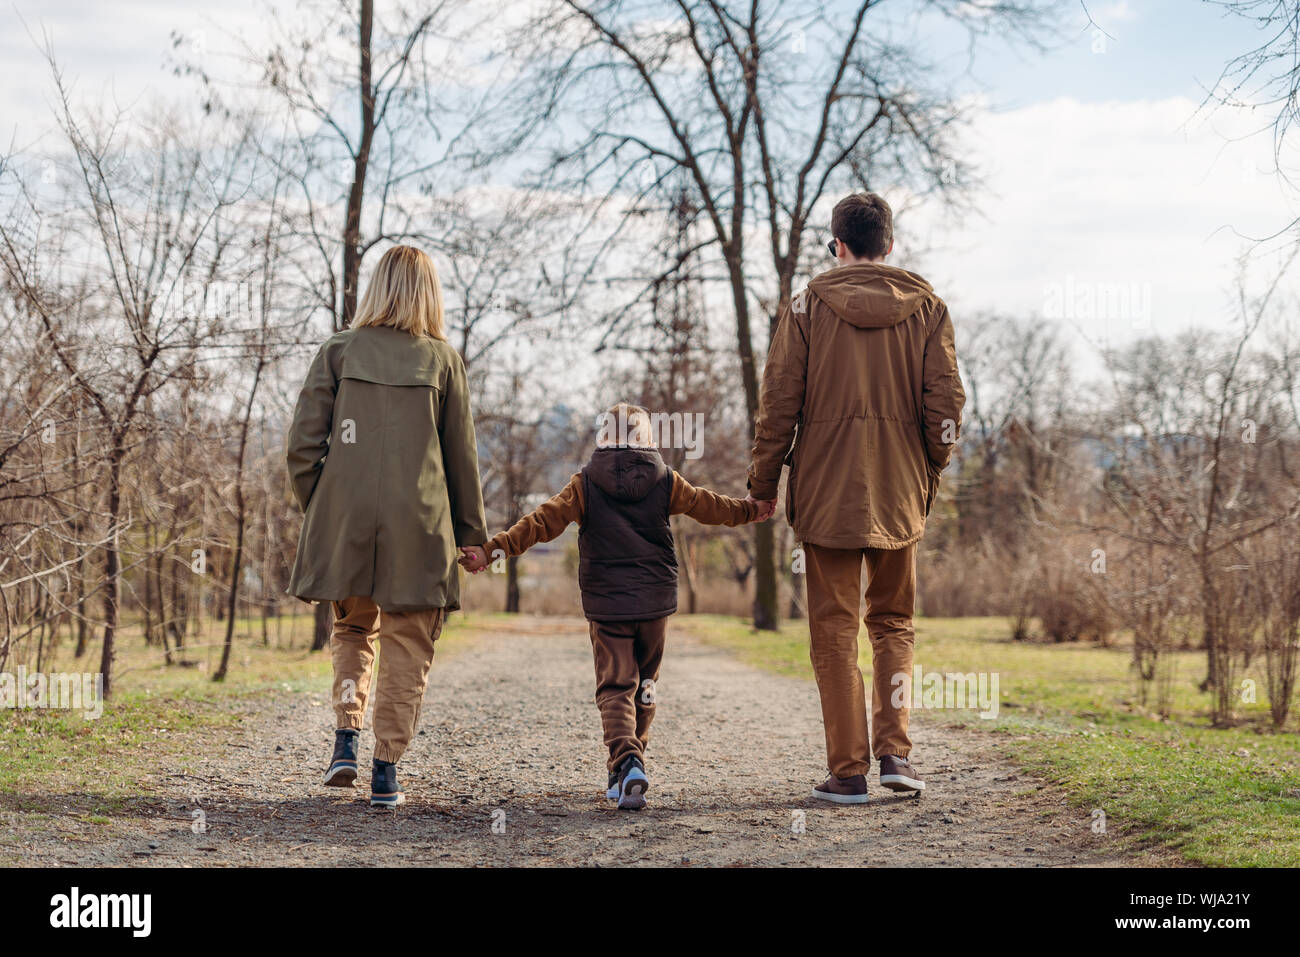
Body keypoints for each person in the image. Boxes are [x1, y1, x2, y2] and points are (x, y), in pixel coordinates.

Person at [747, 192, 966, 804]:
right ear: (888, 244)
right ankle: (895, 753)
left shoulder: (804, 307)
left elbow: (778, 404)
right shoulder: (929, 309)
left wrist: (764, 486)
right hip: (899, 493)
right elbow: (946, 406)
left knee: (834, 629)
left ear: (836, 244)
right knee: (894, 622)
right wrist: (928, 469)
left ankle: (848, 773)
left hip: (825, 494)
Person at [458, 403, 766, 810]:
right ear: (647, 439)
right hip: (655, 601)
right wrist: (751, 508)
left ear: (603, 438)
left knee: (616, 685)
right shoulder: (666, 481)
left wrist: (491, 550)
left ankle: (627, 760)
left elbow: (538, 523)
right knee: (646, 685)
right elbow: (711, 506)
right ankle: (625, 768)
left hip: (607, 603)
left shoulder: (584, 484)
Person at [285, 245, 487, 808]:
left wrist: (327, 511)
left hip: (345, 522)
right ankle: (385, 771)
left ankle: (345, 740)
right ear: (430, 292)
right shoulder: (443, 361)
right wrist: (471, 538)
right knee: (408, 644)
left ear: (377, 287)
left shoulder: (338, 351)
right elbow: (460, 459)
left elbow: (302, 449)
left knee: (352, 630)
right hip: (420, 529)